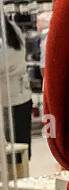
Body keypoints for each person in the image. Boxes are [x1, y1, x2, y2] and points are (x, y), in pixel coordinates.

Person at [2, 17, 32, 152]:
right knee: (20, 148)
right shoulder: (13, 28)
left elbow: (5, 62)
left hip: (11, 98)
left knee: (15, 150)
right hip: (20, 96)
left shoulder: (10, 30)